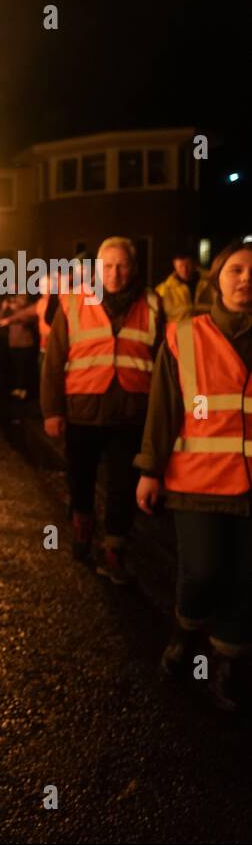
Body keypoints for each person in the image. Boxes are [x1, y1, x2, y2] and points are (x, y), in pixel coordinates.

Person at [136, 240, 252, 711]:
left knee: (247, 579)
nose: (246, 279)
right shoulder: (184, 335)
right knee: (203, 571)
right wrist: (149, 470)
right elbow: (163, 408)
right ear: (217, 279)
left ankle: (227, 663)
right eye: (236, 270)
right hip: (197, 483)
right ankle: (185, 632)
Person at [42, 236, 162, 583]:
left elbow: (164, 361)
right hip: (83, 411)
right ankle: (82, 525)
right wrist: (52, 411)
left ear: (134, 268)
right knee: (80, 479)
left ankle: (114, 550)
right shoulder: (73, 303)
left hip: (132, 413)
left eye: (122, 266)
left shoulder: (154, 304)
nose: (115, 273)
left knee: (124, 485)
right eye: (107, 266)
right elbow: (53, 362)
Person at [156, 250, 212, 323]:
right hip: (179, 332)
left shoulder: (210, 283)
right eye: (180, 266)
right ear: (174, 266)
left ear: (195, 264)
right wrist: (193, 309)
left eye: (188, 265)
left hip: (206, 330)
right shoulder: (164, 289)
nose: (184, 270)